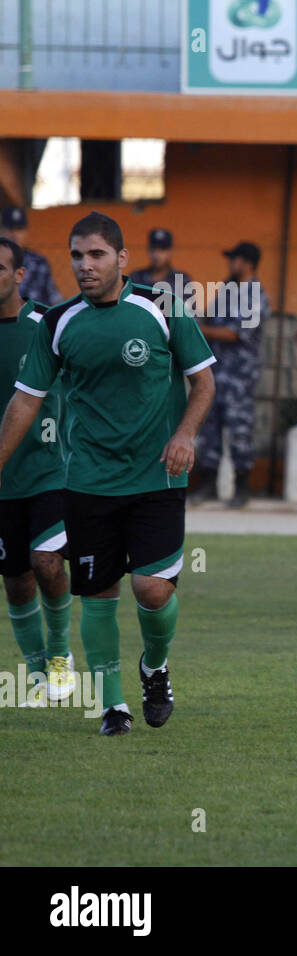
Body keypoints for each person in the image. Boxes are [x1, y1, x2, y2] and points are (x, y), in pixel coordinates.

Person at [0, 211, 215, 736]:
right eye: (76, 255)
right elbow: (24, 405)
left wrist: (184, 434)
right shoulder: (57, 322)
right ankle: (112, 706)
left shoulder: (162, 306)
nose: (85, 266)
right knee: (97, 593)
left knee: (152, 590)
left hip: (157, 477)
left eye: (96, 254)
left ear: (121, 258)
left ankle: (155, 665)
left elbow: (204, 383)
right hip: (88, 481)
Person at [0, 238, 73, 707]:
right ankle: (38, 675)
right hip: (4, 482)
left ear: (19, 275)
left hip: (48, 470)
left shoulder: (48, 324)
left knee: (47, 562)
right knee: (16, 578)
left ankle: (62, 661)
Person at [191, 241, 267, 509]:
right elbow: (210, 320)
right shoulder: (227, 290)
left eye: (234, 259)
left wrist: (199, 330)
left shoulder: (254, 295)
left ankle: (242, 488)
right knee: (210, 429)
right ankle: (207, 486)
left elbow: (236, 333)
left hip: (239, 377)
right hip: (215, 373)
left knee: (239, 431)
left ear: (247, 263)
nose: (230, 263)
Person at [1, 206, 60, 306]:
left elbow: (54, 298)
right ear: (1, 230)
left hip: (34, 318)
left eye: (19, 229)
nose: (14, 235)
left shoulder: (39, 262)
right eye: (10, 229)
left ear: (26, 232)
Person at [128, 228, 194, 303]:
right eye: (154, 249)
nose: (157, 254)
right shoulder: (136, 277)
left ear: (170, 251)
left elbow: (188, 311)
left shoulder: (182, 279)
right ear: (148, 250)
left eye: (162, 249)